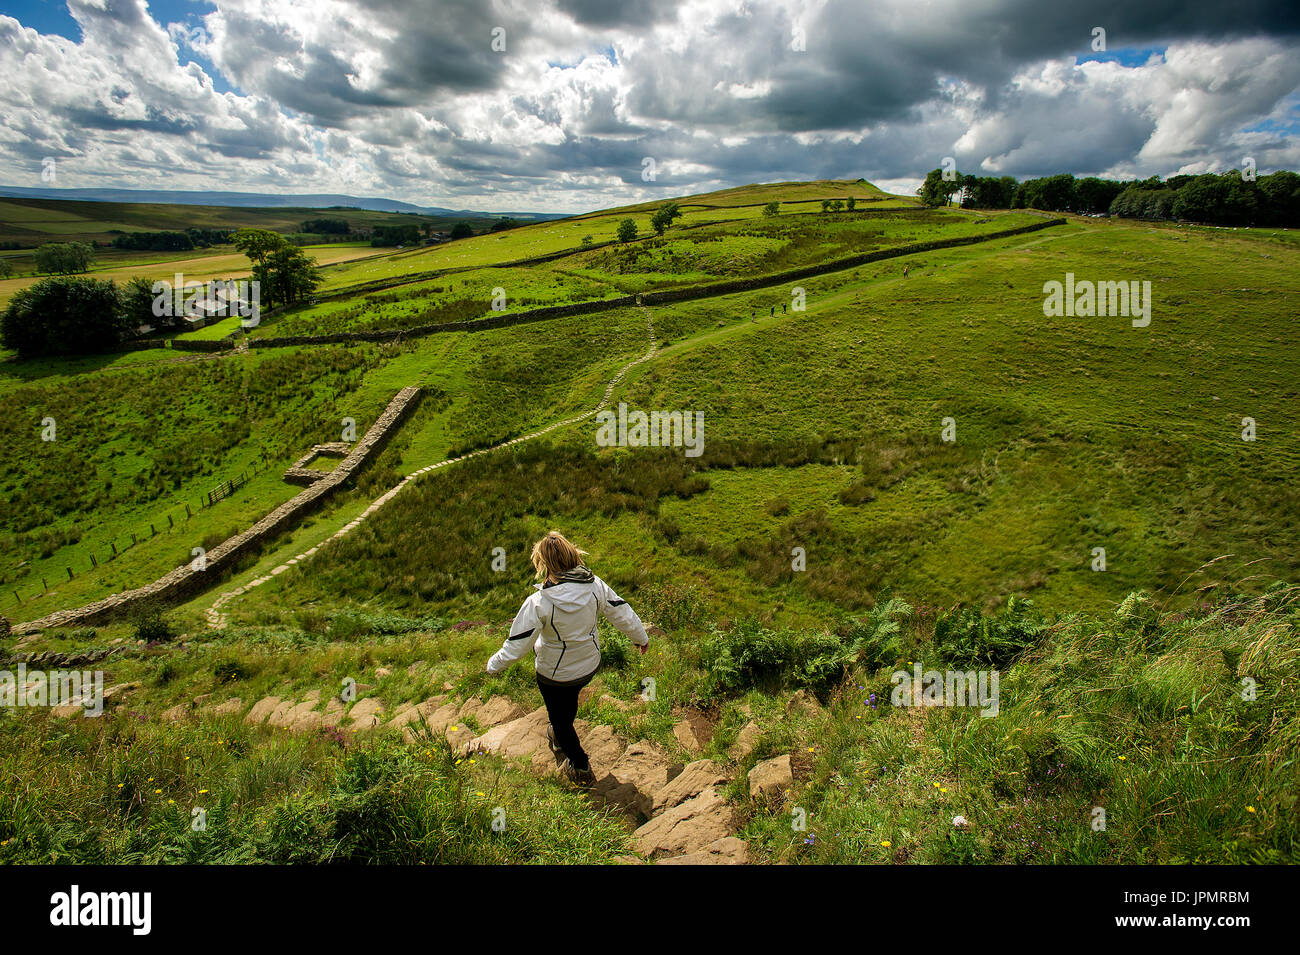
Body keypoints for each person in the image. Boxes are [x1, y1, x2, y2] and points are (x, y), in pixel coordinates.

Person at [485, 531, 649, 785]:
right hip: (589, 665)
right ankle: (563, 731)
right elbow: (621, 612)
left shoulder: (539, 602)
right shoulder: (596, 586)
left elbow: (517, 646)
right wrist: (641, 637)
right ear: (573, 554)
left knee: (559, 721)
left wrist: (492, 666)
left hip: (553, 674)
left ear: (544, 563)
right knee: (568, 702)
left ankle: (580, 764)